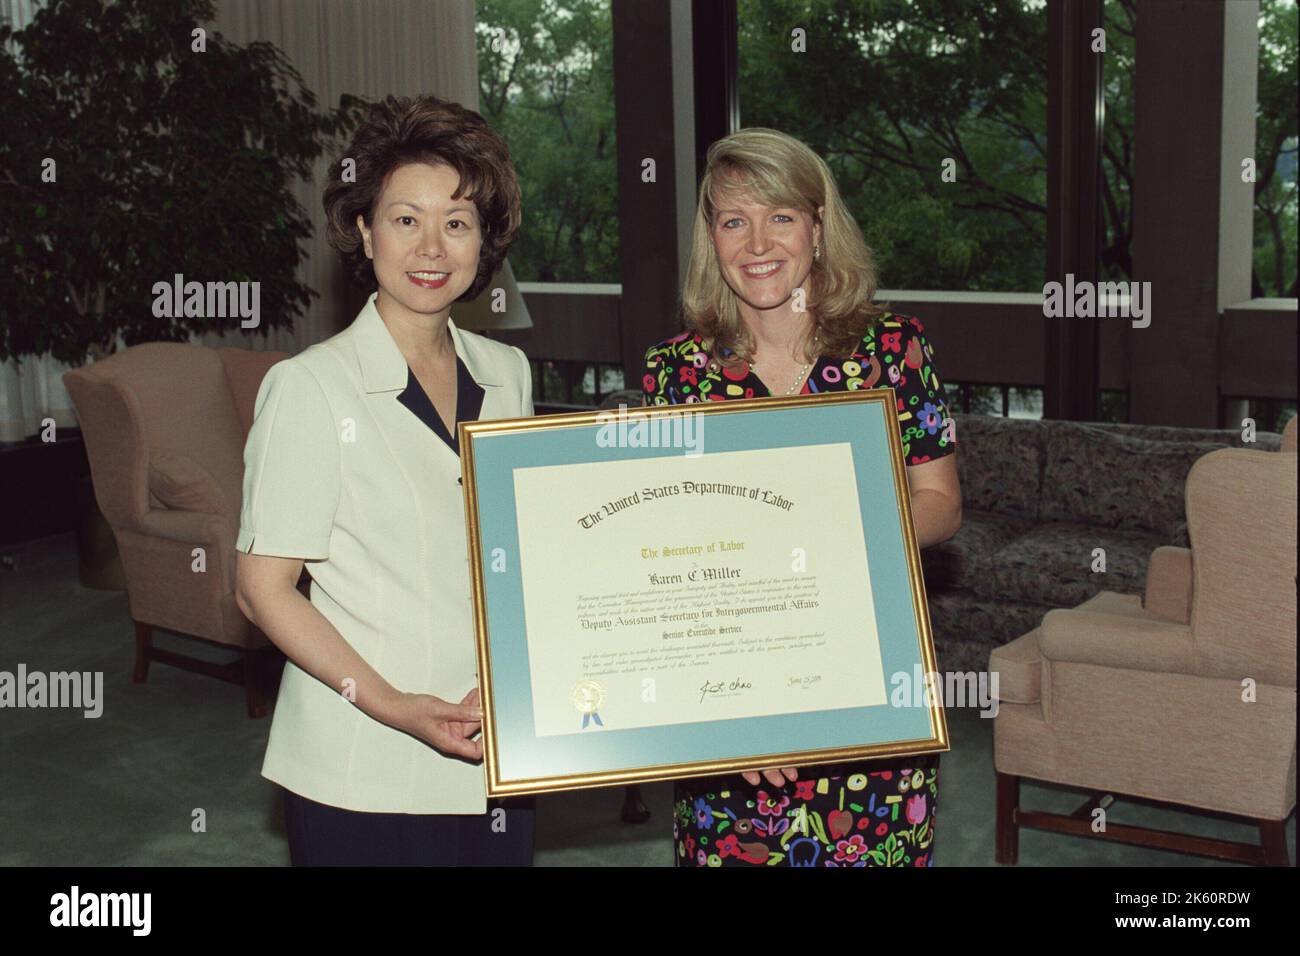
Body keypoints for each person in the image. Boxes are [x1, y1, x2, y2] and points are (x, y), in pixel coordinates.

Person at [643, 127, 963, 867]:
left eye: (780, 216)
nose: (757, 242)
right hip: (726, 702)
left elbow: (941, 503)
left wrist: (843, 535)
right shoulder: (676, 373)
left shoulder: (895, 348)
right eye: (733, 220)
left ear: (818, 229)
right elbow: (665, 551)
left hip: (867, 678)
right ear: (712, 239)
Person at [234, 94, 535, 866]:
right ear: (364, 231)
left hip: (502, 752)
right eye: (406, 219)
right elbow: (262, 589)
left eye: (458, 222)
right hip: (362, 769)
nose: (432, 246)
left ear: (483, 242)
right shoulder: (309, 388)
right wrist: (397, 708)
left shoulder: (508, 373)